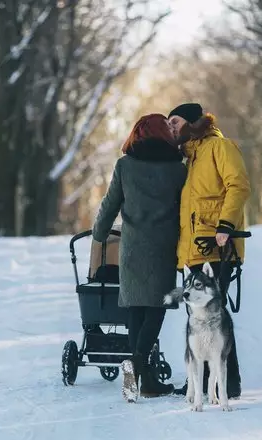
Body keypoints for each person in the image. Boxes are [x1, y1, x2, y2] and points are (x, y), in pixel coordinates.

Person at [92, 113, 187, 402]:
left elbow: (110, 205)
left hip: (131, 247)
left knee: (134, 307)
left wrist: (98, 234)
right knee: (157, 308)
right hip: (163, 248)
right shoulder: (178, 169)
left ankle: (139, 373)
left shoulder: (125, 166)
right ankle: (142, 373)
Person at [168, 103, 251, 399]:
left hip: (217, 248)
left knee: (213, 317)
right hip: (194, 253)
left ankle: (218, 384)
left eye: (175, 122)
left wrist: (225, 225)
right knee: (202, 318)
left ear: (192, 122)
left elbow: (238, 185)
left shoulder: (220, 147)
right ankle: (222, 383)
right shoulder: (189, 159)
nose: (171, 128)